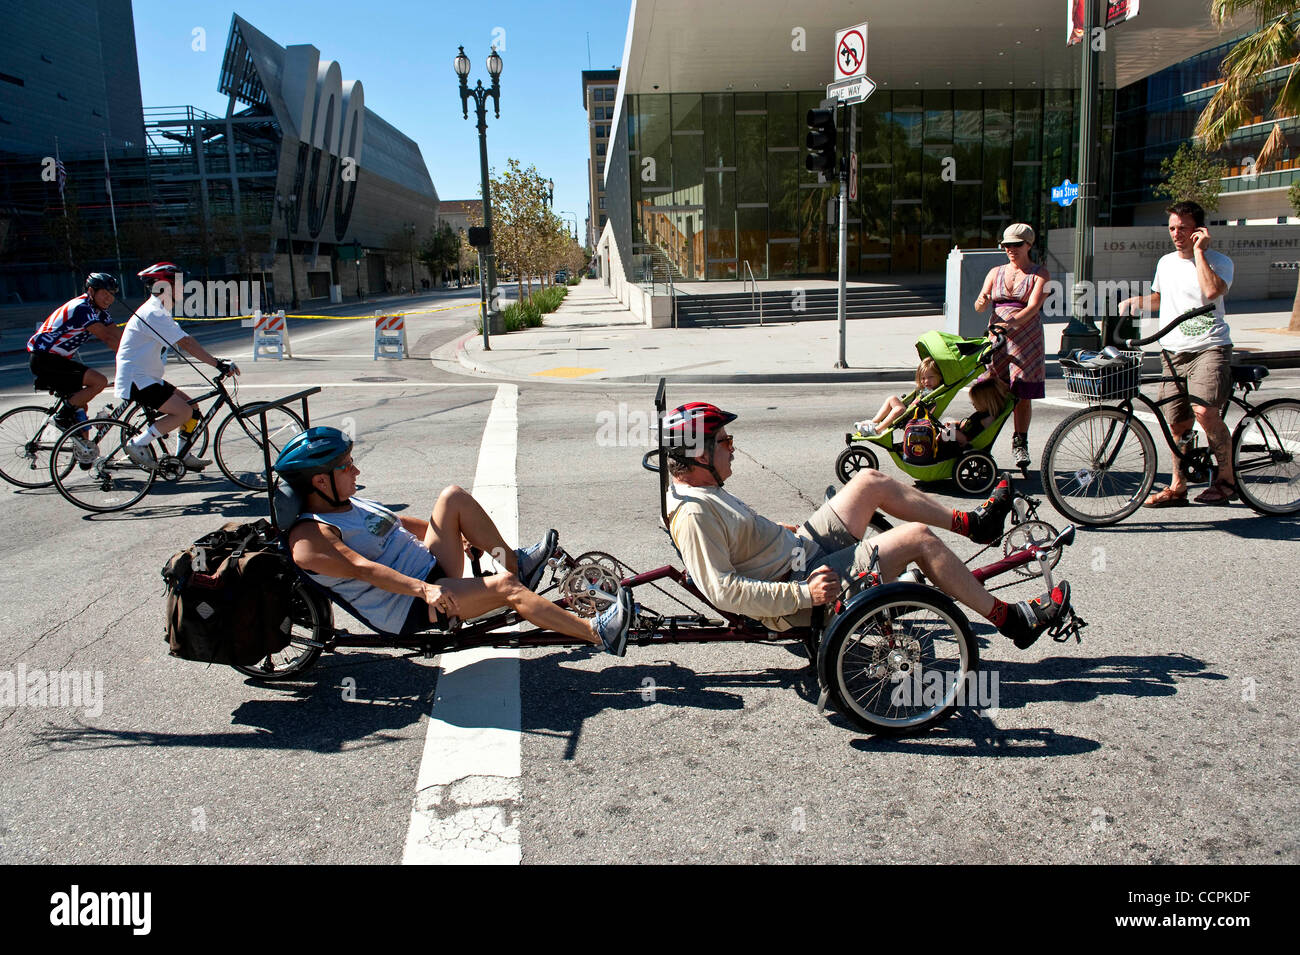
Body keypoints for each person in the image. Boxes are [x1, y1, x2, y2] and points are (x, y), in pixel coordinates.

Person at [662, 402, 1072, 650]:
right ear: (699, 454)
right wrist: (804, 593)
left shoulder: (700, 490)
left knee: (868, 481)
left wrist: (773, 534)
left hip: (798, 552)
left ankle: (974, 523)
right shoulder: (695, 513)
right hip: (799, 588)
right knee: (919, 539)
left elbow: (738, 538)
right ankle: (1011, 619)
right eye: (726, 442)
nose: (734, 449)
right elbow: (724, 591)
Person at [274, 427, 633, 654]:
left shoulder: (347, 503)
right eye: (346, 466)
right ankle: (597, 633)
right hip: (411, 605)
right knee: (507, 589)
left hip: (429, 572)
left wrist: (455, 537)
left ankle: (516, 563)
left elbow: (396, 524)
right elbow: (363, 569)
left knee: (453, 497)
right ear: (321, 482)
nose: (356, 471)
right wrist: (424, 590)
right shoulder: (311, 539)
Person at [1119, 201, 1236, 506]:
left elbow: (1212, 292)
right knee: (1176, 424)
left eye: (1183, 228)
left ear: (1199, 230)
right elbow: (1161, 298)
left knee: (1204, 412)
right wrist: (1137, 301)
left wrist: (1199, 253)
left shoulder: (1219, 262)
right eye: (1172, 228)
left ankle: (1227, 480)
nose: (1176, 234)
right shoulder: (1166, 263)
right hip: (1173, 352)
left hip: (1210, 348)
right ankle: (1178, 486)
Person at [114, 263, 238, 471]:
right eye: (179, 284)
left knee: (193, 408)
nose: (183, 288)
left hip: (148, 377)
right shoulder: (153, 313)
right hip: (137, 378)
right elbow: (187, 343)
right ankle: (138, 444)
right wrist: (218, 364)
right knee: (182, 413)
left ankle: (183, 454)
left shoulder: (159, 311)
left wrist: (217, 362)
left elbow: (185, 341)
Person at [974, 223, 1050, 470]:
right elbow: (980, 304)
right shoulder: (995, 272)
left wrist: (1010, 323)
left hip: (1025, 338)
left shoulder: (1040, 274)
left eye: (1016, 245)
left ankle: (1020, 443)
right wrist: (982, 301)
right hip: (997, 337)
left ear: (1028, 245)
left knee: (1022, 393)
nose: (1010, 249)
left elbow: (1032, 308)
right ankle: (982, 442)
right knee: (991, 390)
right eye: (1006, 245)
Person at [27, 273, 124, 429]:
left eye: (112, 295)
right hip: (44, 359)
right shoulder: (81, 308)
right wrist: (132, 359)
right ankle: (61, 417)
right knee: (99, 381)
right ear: (91, 291)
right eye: (105, 293)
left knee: (80, 410)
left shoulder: (99, 311)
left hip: (57, 360)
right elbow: (107, 337)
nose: (109, 299)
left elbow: (119, 336)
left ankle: (83, 451)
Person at [855, 358, 942, 436]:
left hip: (915, 417)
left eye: (930, 377)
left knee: (899, 409)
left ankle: (877, 430)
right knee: (892, 398)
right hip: (910, 411)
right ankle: (873, 422)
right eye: (923, 378)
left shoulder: (934, 392)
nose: (926, 381)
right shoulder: (925, 389)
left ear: (939, 376)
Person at [937, 377, 1010, 457]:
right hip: (962, 433)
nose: (973, 403)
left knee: (943, 434)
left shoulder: (988, 419)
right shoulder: (982, 413)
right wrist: (956, 424)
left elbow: (970, 439)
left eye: (976, 401)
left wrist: (952, 431)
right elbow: (970, 424)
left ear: (986, 402)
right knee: (946, 424)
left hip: (963, 442)